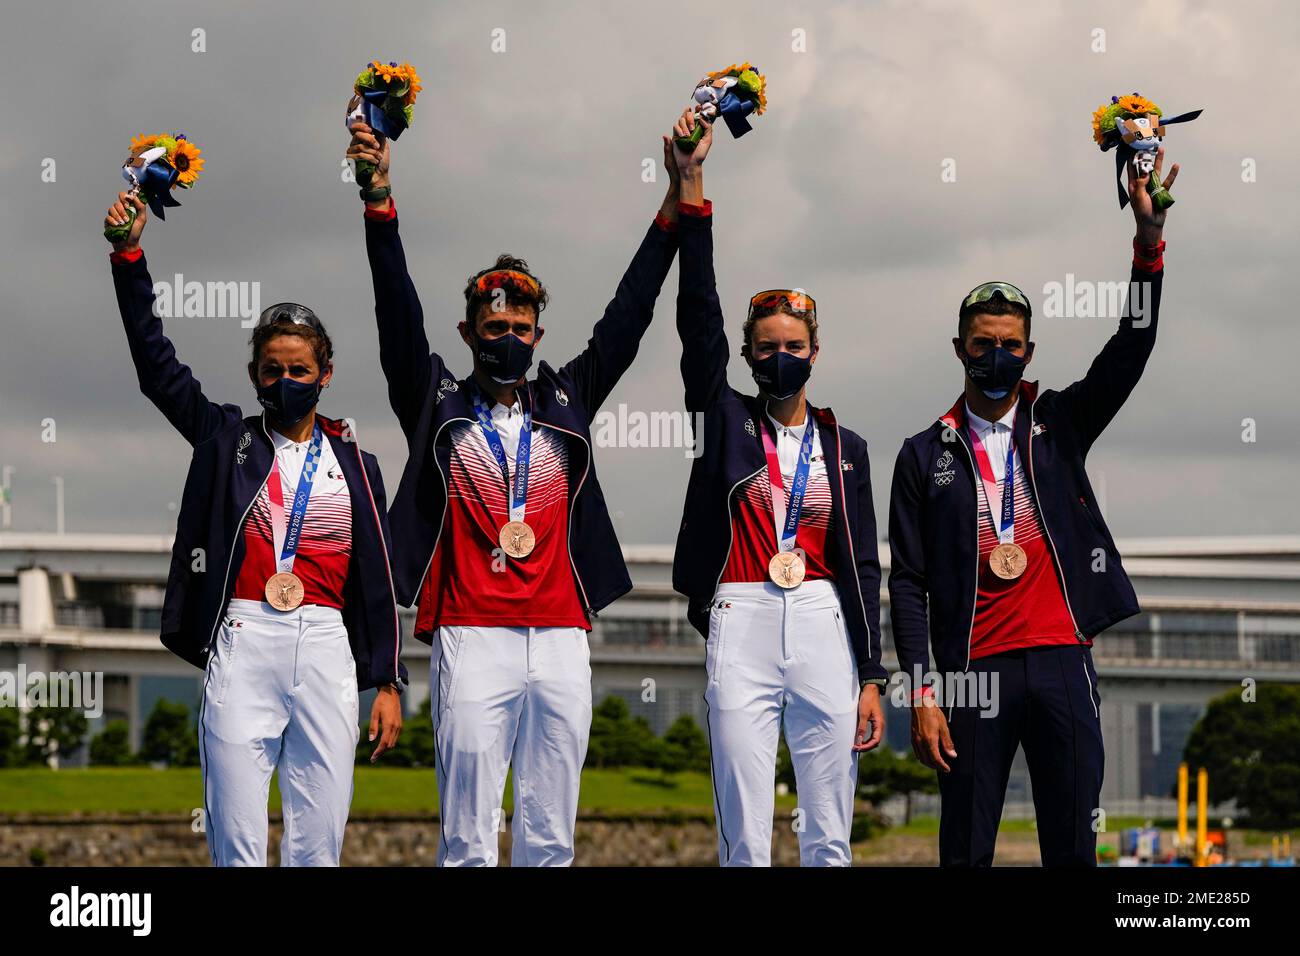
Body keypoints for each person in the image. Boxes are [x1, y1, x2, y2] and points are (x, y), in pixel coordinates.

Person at [346, 118, 682, 866]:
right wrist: (378, 201)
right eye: (494, 326)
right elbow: (396, 312)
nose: (509, 338)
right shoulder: (436, 400)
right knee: (468, 833)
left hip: (563, 634)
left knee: (551, 834)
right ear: (468, 333)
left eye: (522, 326)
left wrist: (671, 203)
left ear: (537, 333)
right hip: (473, 632)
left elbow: (628, 318)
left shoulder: (567, 397)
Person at [887, 149, 1179, 866]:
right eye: (983, 345)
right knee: (964, 851)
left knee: (1073, 849)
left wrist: (1148, 247)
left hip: (1059, 660)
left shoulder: (1060, 424)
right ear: (959, 349)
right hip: (972, 671)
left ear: (1029, 350)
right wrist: (922, 691)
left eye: (1009, 346)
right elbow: (908, 584)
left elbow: (1130, 350)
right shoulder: (924, 453)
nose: (996, 357)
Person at [104, 190, 405, 866]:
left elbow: (378, 581)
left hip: (327, 646)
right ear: (254, 375)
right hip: (244, 637)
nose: (287, 380)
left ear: (326, 374)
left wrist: (386, 680)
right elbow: (158, 371)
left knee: (318, 846)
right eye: (274, 370)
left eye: (300, 370)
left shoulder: (358, 463)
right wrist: (128, 258)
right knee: (236, 843)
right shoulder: (223, 440)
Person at [670, 112, 887, 867]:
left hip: (826, 619)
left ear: (816, 353)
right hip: (743, 609)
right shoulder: (724, 420)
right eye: (767, 348)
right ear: (748, 355)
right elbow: (697, 320)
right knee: (745, 827)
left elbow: (865, 568)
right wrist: (692, 187)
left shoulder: (847, 449)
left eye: (794, 347)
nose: (781, 358)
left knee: (829, 829)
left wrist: (871, 672)